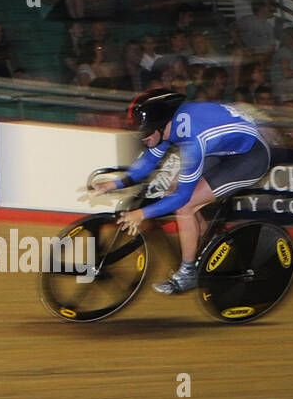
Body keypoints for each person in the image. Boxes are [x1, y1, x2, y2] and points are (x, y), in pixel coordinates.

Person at [90, 89, 271, 294]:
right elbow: (149, 161)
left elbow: (182, 198)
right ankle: (203, 240)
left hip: (250, 158)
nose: (143, 139)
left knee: (184, 205)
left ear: (159, 127)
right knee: (174, 189)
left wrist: (141, 213)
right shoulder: (167, 125)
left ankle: (188, 274)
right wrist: (115, 184)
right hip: (222, 146)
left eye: (146, 134)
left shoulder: (192, 141)